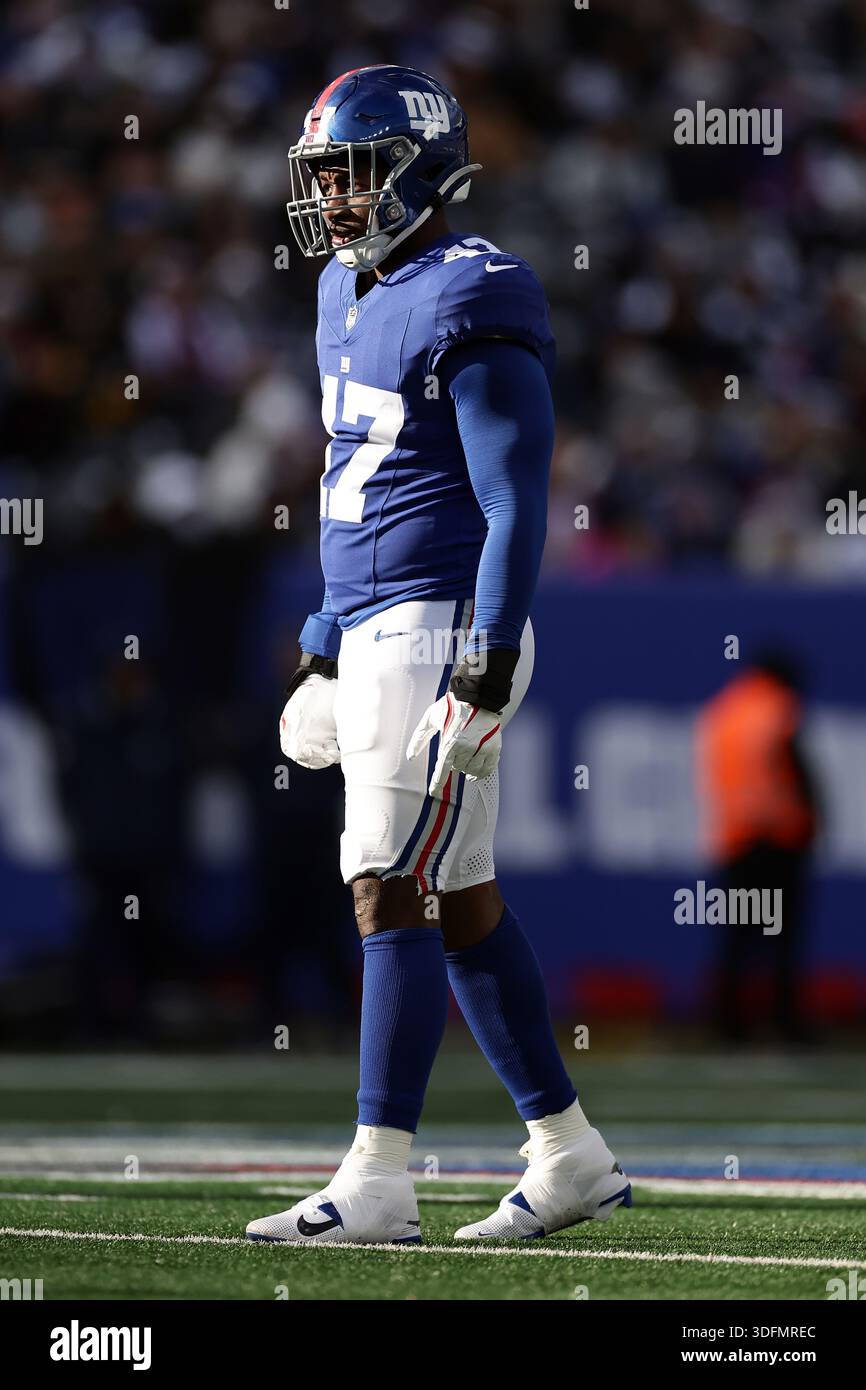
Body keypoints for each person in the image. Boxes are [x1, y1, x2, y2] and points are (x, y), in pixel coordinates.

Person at [246, 65, 630, 1245]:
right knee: (454, 900)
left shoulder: (477, 290)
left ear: (415, 168)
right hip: (369, 624)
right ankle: (567, 1154)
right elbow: (351, 485)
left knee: (386, 883)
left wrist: (486, 658)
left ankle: (378, 1175)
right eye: (324, 176)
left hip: (437, 625)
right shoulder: (337, 290)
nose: (336, 198)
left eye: (354, 172)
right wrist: (320, 637)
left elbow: (513, 499)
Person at [696, 650, 820, 1045]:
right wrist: (814, 817)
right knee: (782, 938)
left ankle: (728, 1024)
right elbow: (797, 767)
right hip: (777, 839)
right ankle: (784, 1022)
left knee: (737, 937)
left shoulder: (724, 710)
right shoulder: (777, 707)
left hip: (735, 840)